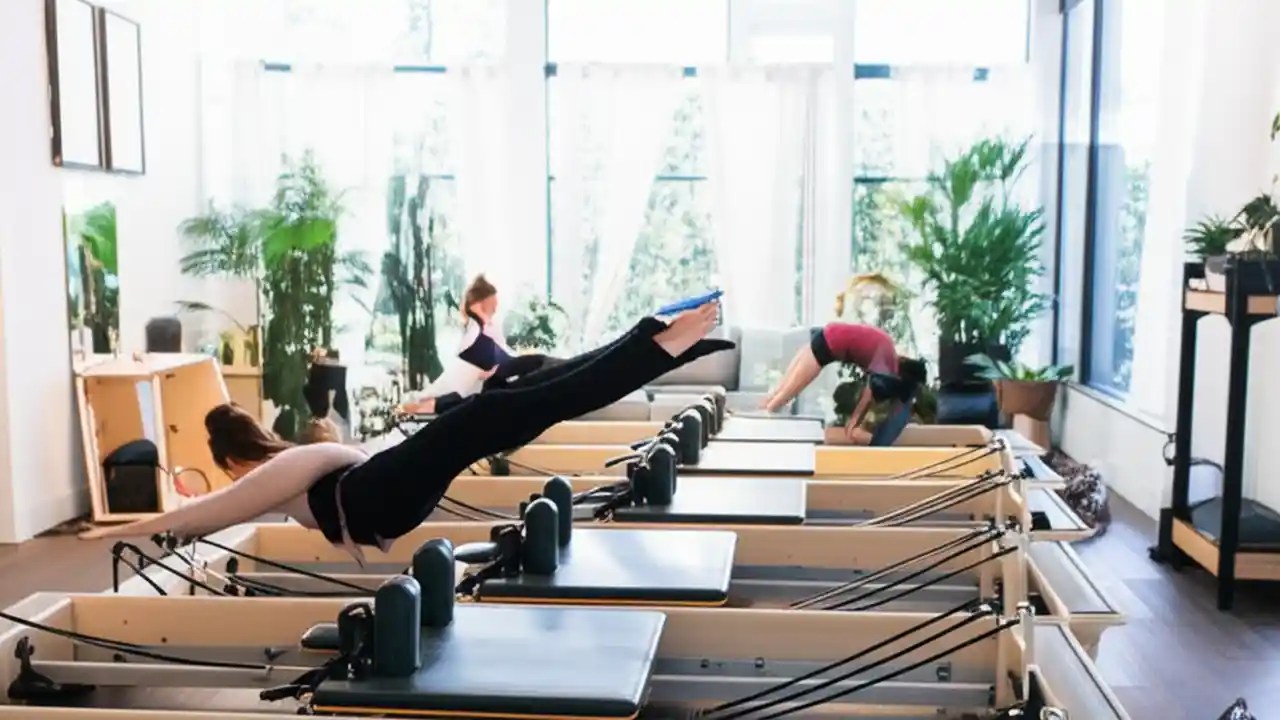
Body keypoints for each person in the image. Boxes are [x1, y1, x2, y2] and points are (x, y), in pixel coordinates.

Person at [79, 302, 732, 564]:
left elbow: (213, 511)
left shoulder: (280, 472)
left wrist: (117, 530)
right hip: (390, 493)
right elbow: (216, 511)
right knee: (523, 403)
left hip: (389, 495)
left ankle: (654, 343)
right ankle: (653, 344)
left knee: (526, 396)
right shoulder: (293, 470)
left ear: (231, 459)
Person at [401, 274, 559, 415]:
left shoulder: (482, 333)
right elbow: (457, 382)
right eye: (493, 303)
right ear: (480, 304)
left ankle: (420, 402)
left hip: (498, 379)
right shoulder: (478, 337)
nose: (496, 307)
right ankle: (419, 403)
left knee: (539, 364)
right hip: (490, 385)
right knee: (539, 364)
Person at [762, 322, 926, 443]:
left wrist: (854, 420)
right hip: (828, 345)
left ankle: (762, 427)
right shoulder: (888, 362)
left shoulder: (888, 350)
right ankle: (765, 438)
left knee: (776, 395)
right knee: (778, 401)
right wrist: (855, 422)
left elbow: (869, 389)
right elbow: (870, 392)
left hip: (825, 335)